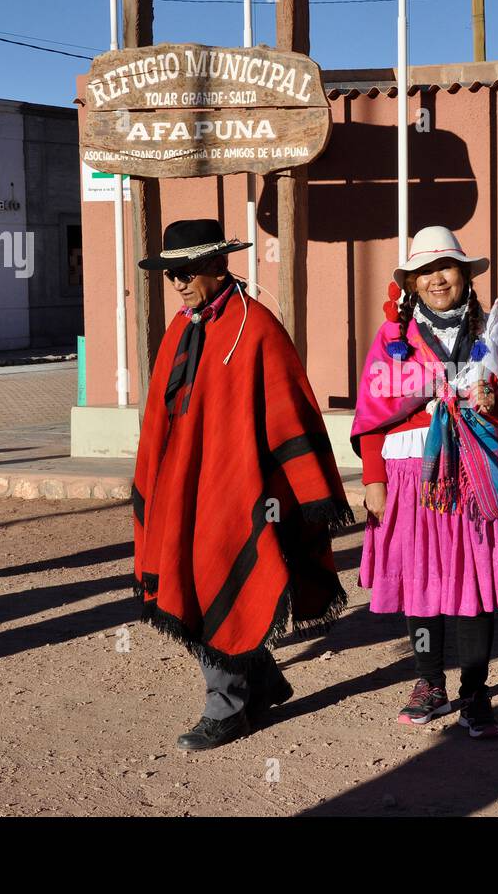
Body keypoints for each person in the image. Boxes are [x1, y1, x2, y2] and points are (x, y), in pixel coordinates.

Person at [132, 219, 352, 751]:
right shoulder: (181, 331)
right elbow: (164, 418)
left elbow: (288, 406)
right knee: (180, 577)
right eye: (171, 274)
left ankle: (225, 708)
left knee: (212, 581)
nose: (180, 282)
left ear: (217, 265)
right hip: (184, 487)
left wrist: (302, 488)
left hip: (241, 492)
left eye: (188, 271)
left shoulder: (255, 328)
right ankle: (263, 679)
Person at [351, 225, 498, 739]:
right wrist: (373, 480)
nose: (437, 279)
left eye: (446, 269)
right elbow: (371, 415)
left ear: (465, 276)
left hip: (473, 471)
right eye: (426, 271)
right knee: (420, 583)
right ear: (411, 283)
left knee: (474, 585)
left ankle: (475, 693)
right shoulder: (394, 341)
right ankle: (430, 683)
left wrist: (492, 402)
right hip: (411, 474)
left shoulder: (491, 335)